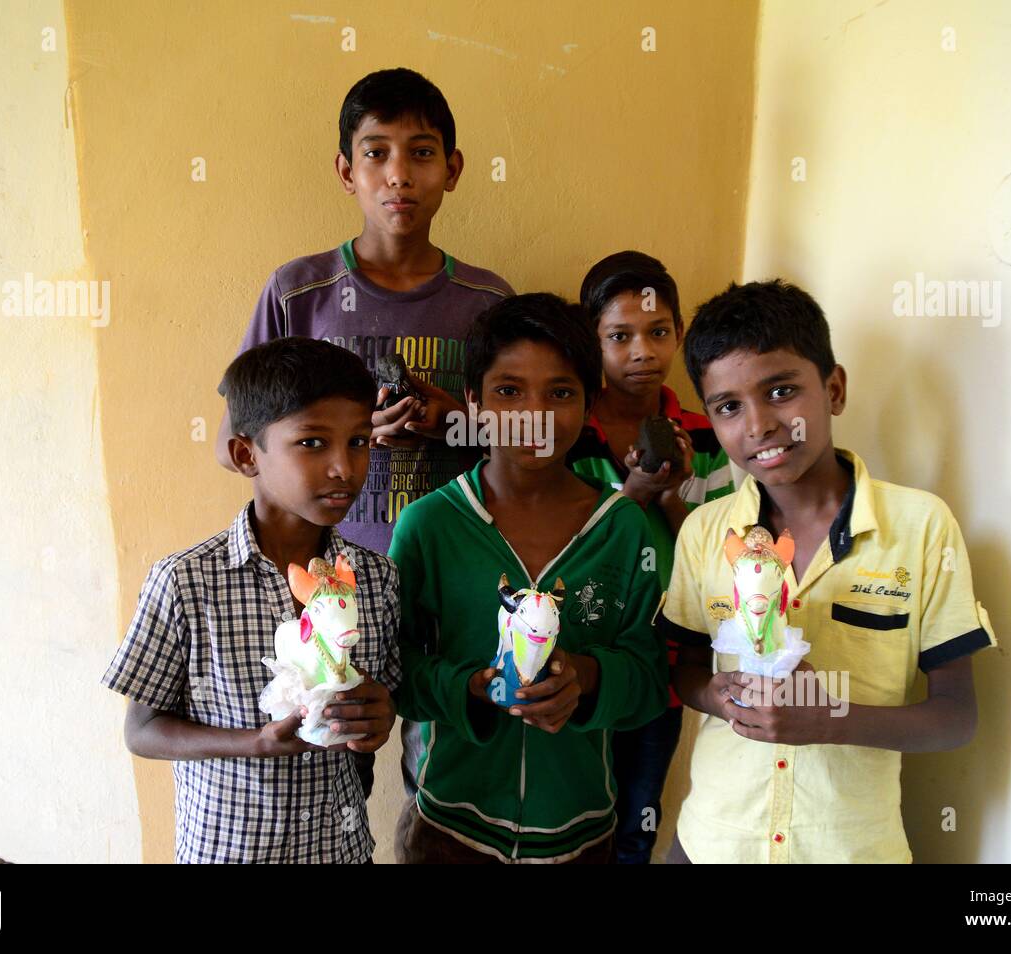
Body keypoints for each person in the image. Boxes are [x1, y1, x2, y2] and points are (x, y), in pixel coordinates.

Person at [215, 67, 514, 798]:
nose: (398, 175)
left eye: (421, 152)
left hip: (451, 577)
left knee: (441, 768)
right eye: (376, 153)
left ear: (453, 169)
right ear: (346, 171)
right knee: (319, 766)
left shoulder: (488, 301)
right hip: (324, 588)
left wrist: (458, 421)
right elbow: (237, 443)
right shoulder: (299, 291)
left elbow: (527, 442)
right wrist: (352, 438)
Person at [660, 279, 998, 863]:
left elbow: (955, 718)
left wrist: (829, 718)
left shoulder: (920, 529)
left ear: (833, 389)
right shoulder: (705, 533)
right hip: (716, 841)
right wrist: (719, 696)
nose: (759, 424)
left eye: (782, 390)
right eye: (729, 407)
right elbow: (687, 670)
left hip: (849, 847)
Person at [389, 293, 669, 863]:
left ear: (590, 401)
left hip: (581, 833)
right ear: (473, 401)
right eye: (509, 391)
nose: (534, 414)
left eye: (560, 393)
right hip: (447, 827)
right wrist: (467, 688)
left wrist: (588, 678)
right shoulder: (430, 525)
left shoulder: (622, 528)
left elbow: (648, 677)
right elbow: (395, 668)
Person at [104, 337, 400, 863]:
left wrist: (378, 716)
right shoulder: (186, 582)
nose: (344, 468)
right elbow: (143, 730)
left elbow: (383, 697)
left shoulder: (374, 579)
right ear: (247, 455)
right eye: (312, 443)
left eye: (358, 442)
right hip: (231, 850)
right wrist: (253, 742)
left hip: (340, 849)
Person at [566, 250, 734, 863]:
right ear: (593, 341)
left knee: (636, 820)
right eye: (620, 336)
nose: (642, 351)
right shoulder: (569, 434)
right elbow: (565, 551)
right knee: (573, 814)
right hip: (578, 655)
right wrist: (631, 494)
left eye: (658, 332)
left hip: (664, 666)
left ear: (679, 334)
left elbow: (722, 560)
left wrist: (668, 498)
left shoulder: (712, 436)